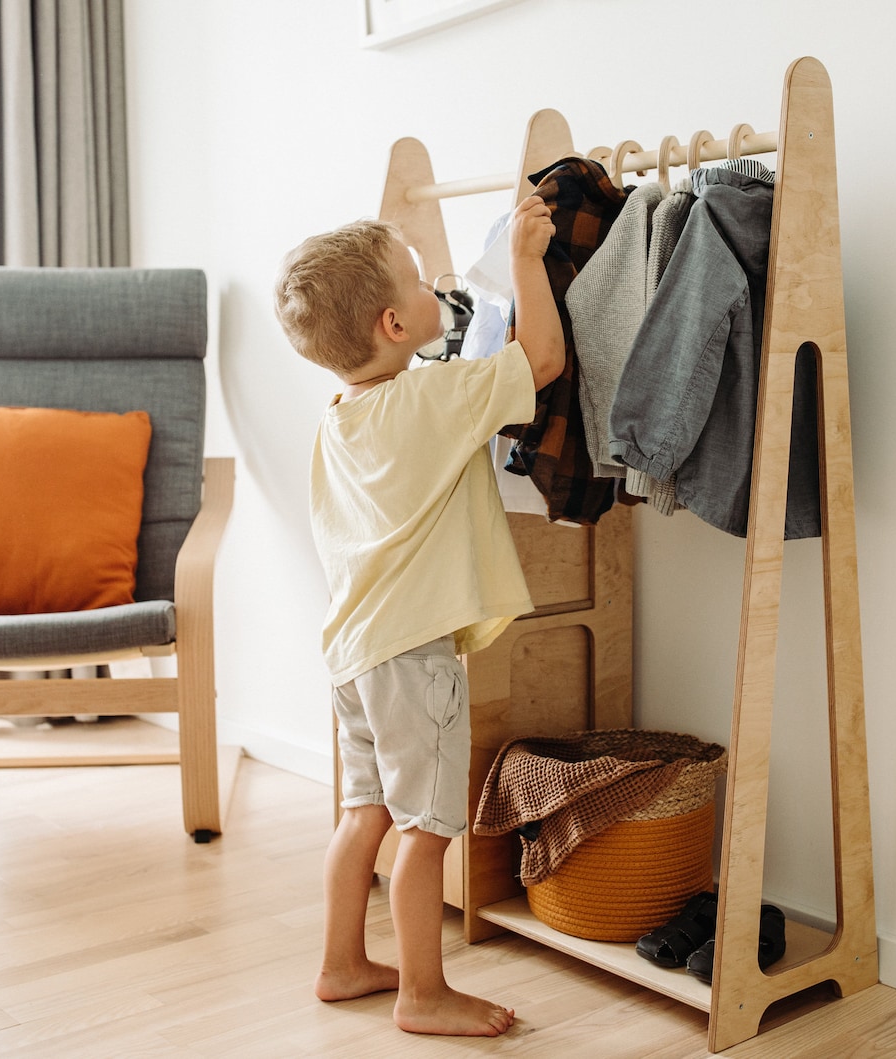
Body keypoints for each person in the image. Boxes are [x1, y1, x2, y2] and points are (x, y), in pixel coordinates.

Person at [273, 196, 563, 1037]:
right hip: (412, 658)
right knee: (427, 830)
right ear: (396, 325)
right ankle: (424, 993)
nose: (438, 283)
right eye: (419, 279)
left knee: (364, 813)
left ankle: (341, 963)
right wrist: (525, 259)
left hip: (354, 652)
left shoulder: (340, 418)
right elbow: (541, 359)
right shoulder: (431, 399)